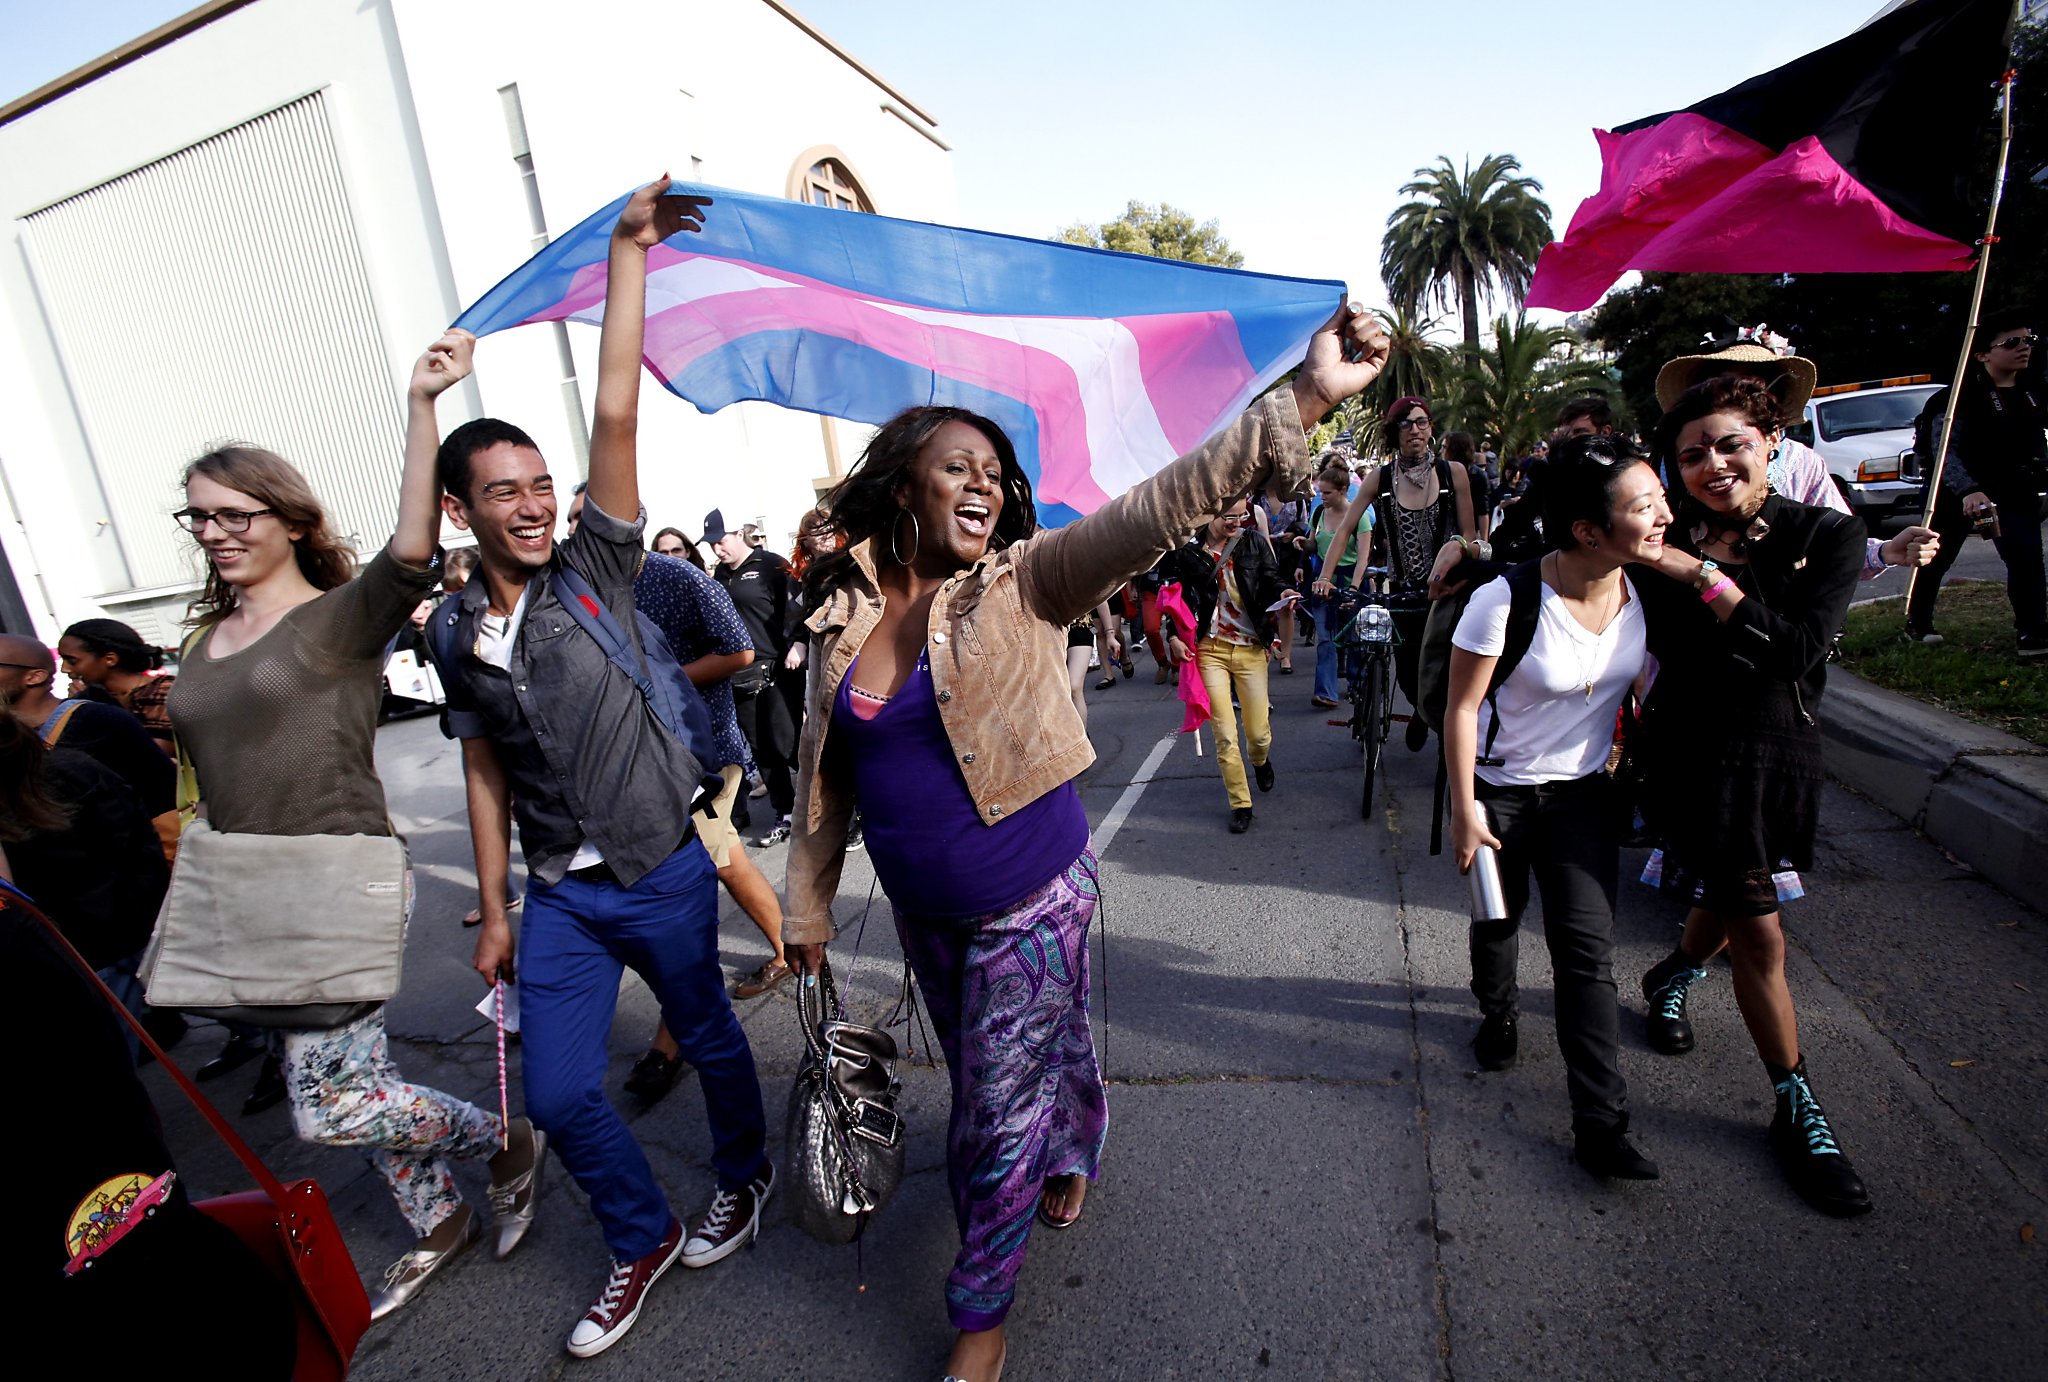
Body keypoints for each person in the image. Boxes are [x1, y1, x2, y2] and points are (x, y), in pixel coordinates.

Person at [779, 299, 1385, 1381]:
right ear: (900, 484)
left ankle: (978, 1317)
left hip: (1031, 898)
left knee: (991, 1116)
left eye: (995, 476)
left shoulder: (1022, 584)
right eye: (956, 467)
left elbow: (1161, 503)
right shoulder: (840, 619)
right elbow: (822, 779)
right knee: (998, 1064)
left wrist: (1303, 396)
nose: (984, 487)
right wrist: (807, 911)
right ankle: (1078, 1133)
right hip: (924, 911)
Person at [429, 179, 772, 1358]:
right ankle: (643, 1235)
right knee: (563, 1090)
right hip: (560, 891)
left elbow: (616, 410)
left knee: (710, 1035)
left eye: (537, 486)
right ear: (461, 511)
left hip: (663, 858)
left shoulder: (596, 570)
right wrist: (495, 906)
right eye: (501, 492)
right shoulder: (449, 633)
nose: (528, 505)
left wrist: (629, 254)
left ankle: (744, 1173)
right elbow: (482, 763)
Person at [165, 352, 543, 1321]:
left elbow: (411, 549)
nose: (214, 532)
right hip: (248, 886)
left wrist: (421, 405)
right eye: (198, 516)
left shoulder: (336, 622)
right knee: (351, 1078)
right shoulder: (203, 641)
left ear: (289, 519)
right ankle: (437, 1219)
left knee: (325, 1102)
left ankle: (502, 1134)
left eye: (233, 513)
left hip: (335, 876)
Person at [1631, 374, 1873, 1217]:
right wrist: (1474, 554)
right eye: (1692, 454)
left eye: (1730, 443)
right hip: (1689, 752)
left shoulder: (1826, 535)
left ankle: (1669, 974)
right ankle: (1795, 1104)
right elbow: (1571, 564)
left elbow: (1798, 652)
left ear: (1772, 441)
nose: (1711, 465)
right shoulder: (1658, 536)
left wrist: (1696, 573)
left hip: (1778, 751)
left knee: (1730, 893)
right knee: (1758, 931)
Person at [1445, 435, 1669, 1180]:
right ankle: (1498, 1011)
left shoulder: (1651, 589)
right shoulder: (1502, 599)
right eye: (1645, 506)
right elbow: (1462, 709)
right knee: (1496, 928)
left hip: (1582, 801)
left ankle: (1601, 1126)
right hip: (1500, 796)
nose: (1665, 514)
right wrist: (1465, 806)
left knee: (1586, 956)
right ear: (1587, 530)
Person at [560, 484, 794, 1108]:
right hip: (628, 770)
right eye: (576, 521)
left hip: (704, 751)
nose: (583, 532)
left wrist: (652, 683)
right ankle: (778, 955)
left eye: (594, 520)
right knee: (689, 877)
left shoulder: (674, 577)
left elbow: (739, 649)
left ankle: (687, 1029)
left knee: (715, 862)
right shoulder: (572, 594)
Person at [1653, 337, 1940, 587]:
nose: (1715, 465)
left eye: (1754, 390)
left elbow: (1837, 542)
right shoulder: (1670, 464)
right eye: (1727, 387)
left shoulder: (1801, 462)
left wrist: (1885, 551)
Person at [1332, 395, 1479, 750]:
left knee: (1444, 669)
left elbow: (1471, 537)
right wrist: (1324, 577)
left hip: (1448, 591)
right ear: (1393, 432)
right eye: (1406, 424)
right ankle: (1419, 710)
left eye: (1422, 422)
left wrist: (1461, 550)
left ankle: (1434, 723)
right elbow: (1344, 530)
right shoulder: (1379, 479)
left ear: (1430, 429)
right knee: (1410, 676)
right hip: (1402, 592)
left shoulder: (1452, 473)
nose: (1415, 429)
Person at [1905, 313, 2044, 654]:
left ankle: (2032, 632)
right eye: (2012, 342)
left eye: (2029, 340)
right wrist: (1968, 489)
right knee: (1936, 558)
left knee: (2025, 556)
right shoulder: (1954, 399)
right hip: (1957, 495)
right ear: (1982, 354)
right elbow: (1942, 452)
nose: (2023, 348)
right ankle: (1918, 622)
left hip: (2014, 494)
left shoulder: (2034, 392)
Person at [1161, 498, 1287, 832]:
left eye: (1241, 515)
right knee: (1225, 734)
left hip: (1250, 646)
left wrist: (1285, 591)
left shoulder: (1253, 542)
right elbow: (1175, 598)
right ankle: (1240, 803)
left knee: (1258, 733)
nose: (1236, 522)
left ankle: (1260, 761)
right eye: (1228, 516)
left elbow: (1271, 578)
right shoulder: (1188, 552)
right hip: (1209, 649)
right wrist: (1173, 636)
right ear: (1210, 515)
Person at [707, 507, 804, 846]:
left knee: (789, 744)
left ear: (737, 534)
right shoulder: (718, 575)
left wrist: (798, 644)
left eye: (721, 542)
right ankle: (786, 814)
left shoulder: (772, 565)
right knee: (763, 750)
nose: (717, 550)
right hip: (739, 675)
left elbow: (798, 609)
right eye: (711, 545)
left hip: (779, 668)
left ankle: (828, 808)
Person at [1305, 459, 1372, 709]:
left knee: (1354, 638)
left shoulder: (1359, 517)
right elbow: (1314, 542)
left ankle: (1357, 682)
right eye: (1320, 492)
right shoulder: (1319, 513)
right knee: (1326, 639)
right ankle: (1325, 692)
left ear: (1343, 491)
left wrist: (1354, 589)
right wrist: (1302, 544)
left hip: (1350, 581)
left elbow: (1363, 558)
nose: (1322, 497)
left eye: (1327, 493)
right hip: (1323, 582)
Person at [57, 619, 176, 754]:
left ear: (110, 659)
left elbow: (151, 756)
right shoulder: (95, 697)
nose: (64, 669)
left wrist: (95, 710)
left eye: (72, 661)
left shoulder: (163, 691)